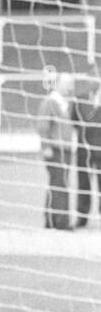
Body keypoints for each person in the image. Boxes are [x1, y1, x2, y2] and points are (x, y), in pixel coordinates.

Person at [36, 73, 76, 230]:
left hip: (65, 150)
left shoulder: (65, 103)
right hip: (55, 150)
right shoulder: (50, 102)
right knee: (60, 184)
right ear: (58, 84)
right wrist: (46, 147)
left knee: (57, 183)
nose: (70, 88)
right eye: (67, 84)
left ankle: (50, 220)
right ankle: (61, 222)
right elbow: (43, 126)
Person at [72, 79, 101, 229]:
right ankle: (82, 217)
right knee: (83, 184)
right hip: (84, 150)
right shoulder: (80, 99)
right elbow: (74, 120)